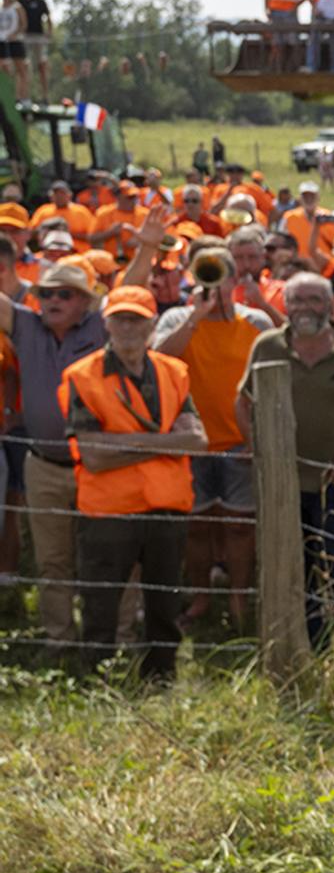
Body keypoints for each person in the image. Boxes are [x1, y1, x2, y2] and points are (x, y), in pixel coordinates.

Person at [239, 274, 334, 648]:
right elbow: (242, 402)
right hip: (282, 483)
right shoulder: (267, 345)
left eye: (314, 300)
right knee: (289, 567)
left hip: (333, 482)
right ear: (285, 305)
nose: (306, 308)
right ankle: (297, 644)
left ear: (329, 304)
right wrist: (260, 450)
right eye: (298, 300)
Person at [63, 285, 205, 680]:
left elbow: (198, 440)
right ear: (106, 323)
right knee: (100, 603)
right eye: (120, 318)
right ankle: (96, 680)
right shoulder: (83, 376)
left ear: (153, 324)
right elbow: (92, 455)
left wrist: (122, 443)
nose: (128, 327)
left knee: (164, 603)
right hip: (108, 509)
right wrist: (166, 444)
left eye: (137, 319)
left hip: (167, 506)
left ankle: (161, 678)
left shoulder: (174, 373)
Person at [153, 254, 269, 628]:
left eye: (219, 280)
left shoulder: (255, 322)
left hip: (241, 443)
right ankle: (201, 598)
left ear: (234, 282)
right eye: (206, 279)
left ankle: (238, 600)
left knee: (240, 529)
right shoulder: (177, 318)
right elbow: (157, 360)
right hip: (193, 444)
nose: (213, 289)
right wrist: (196, 316)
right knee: (197, 527)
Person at [0, 260, 109, 654]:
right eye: (46, 293)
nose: (52, 300)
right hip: (43, 464)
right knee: (51, 561)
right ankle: (60, 641)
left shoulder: (100, 328)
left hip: (94, 466)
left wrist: (148, 248)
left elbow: (132, 286)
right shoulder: (26, 326)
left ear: (85, 302)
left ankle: (102, 641)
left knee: (100, 558)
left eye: (64, 294)